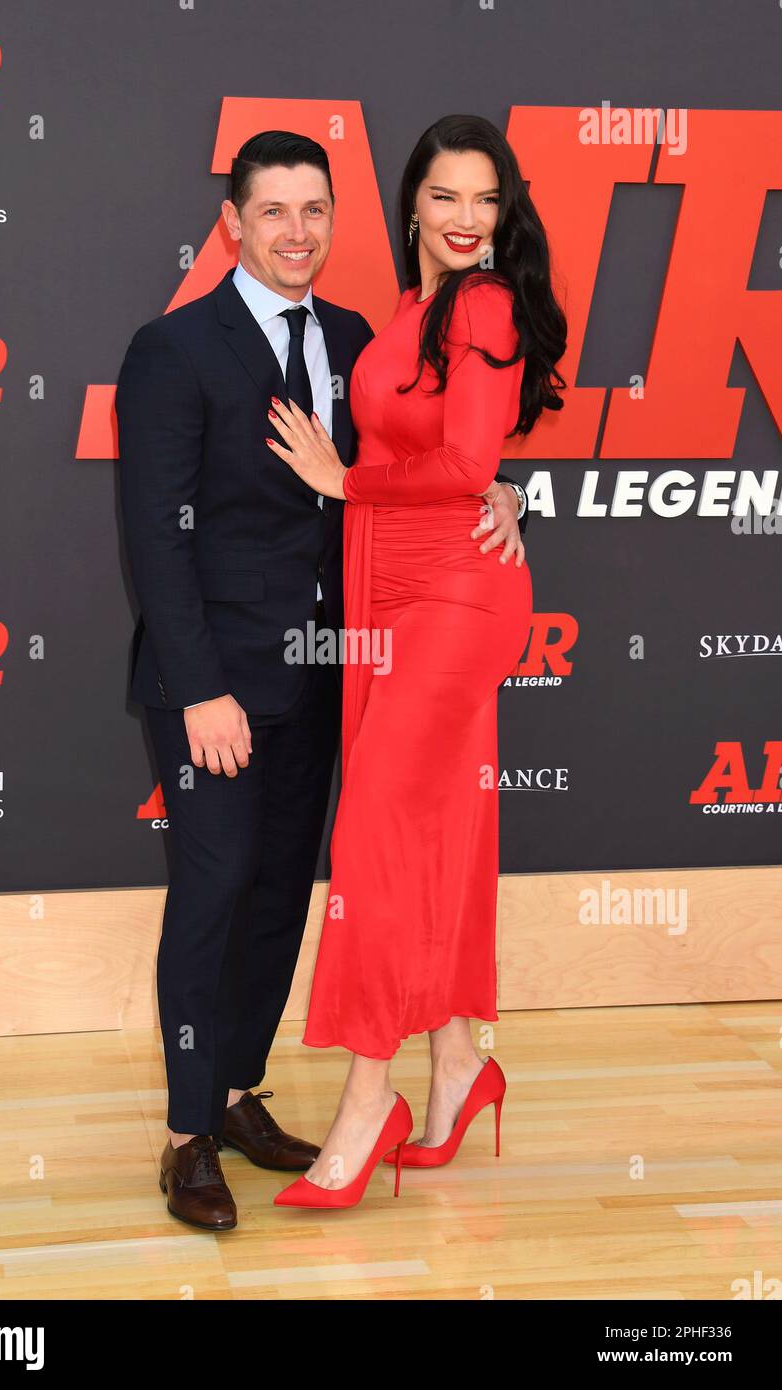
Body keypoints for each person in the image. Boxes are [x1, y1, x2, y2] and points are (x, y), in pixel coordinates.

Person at [115, 129, 529, 1231]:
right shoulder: (173, 348)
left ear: (338, 219)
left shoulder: (359, 335)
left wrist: (499, 494)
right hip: (212, 686)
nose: (296, 234)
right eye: (272, 213)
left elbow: (417, 455)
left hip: (332, 670)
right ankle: (187, 1133)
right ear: (232, 225)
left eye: (314, 212)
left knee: (281, 898)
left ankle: (242, 1090)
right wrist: (201, 688)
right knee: (211, 895)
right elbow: (154, 536)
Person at [266, 115, 566, 1210]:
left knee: (378, 834)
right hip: (385, 592)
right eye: (445, 196)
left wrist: (350, 483)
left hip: (452, 595)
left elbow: (470, 458)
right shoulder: (412, 311)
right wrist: (443, 488)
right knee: (438, 830)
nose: (465, 218)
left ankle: (366, 1098)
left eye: (484, 200)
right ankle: (457, 1067)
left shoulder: (483, 305)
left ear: (503, 214)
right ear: (411, 205)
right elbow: (453, 451)